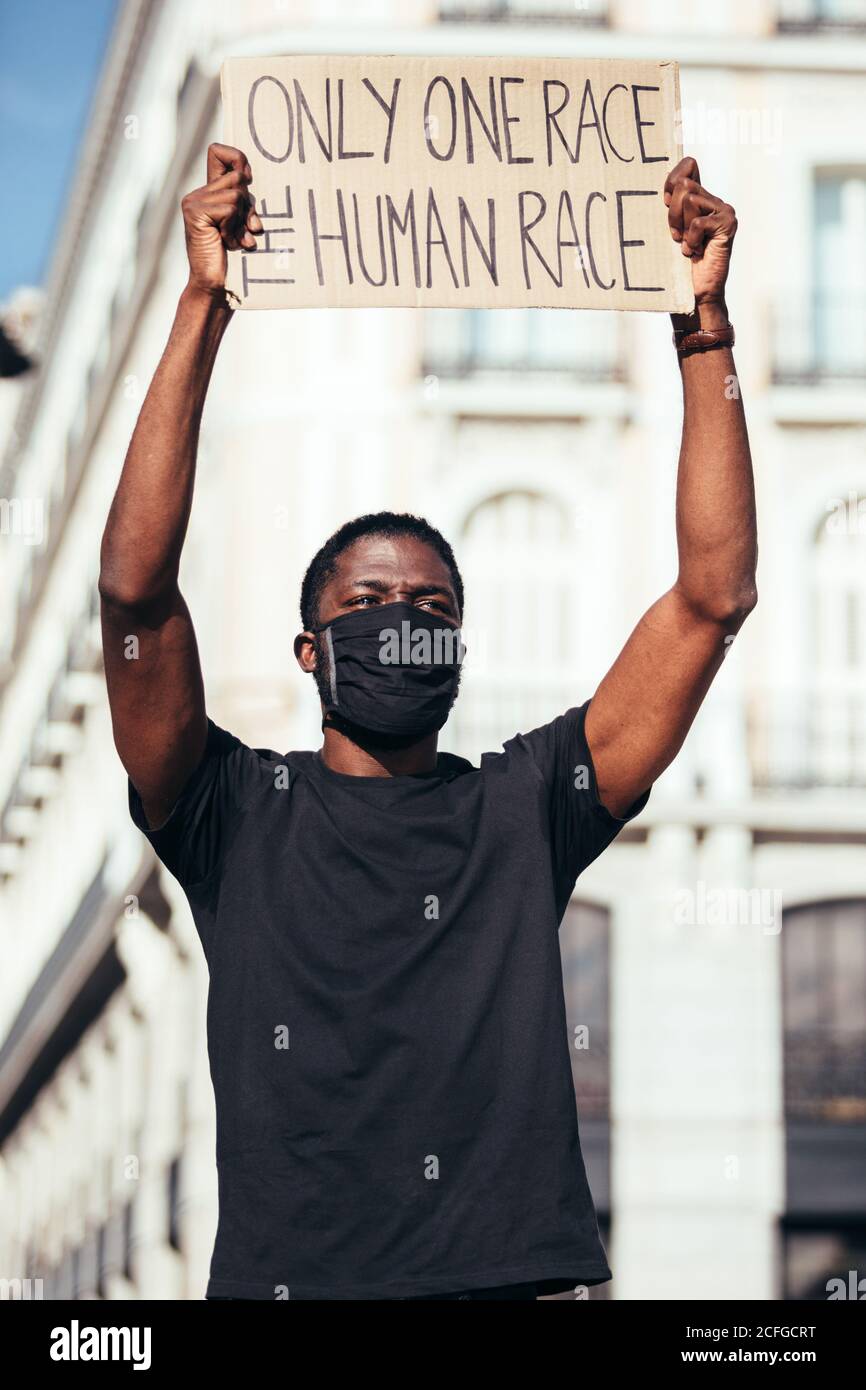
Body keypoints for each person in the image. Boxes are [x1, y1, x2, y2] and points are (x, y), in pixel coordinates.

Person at [98, 143, 757, 1301]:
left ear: (459, 648)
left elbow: (711, 599)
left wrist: (701, 326)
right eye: (365, 604)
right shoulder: (231, 812)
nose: (400, 620)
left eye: (430, 607)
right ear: (309, 651)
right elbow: (137, 597)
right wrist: (203, 304)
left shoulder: (524, 805)